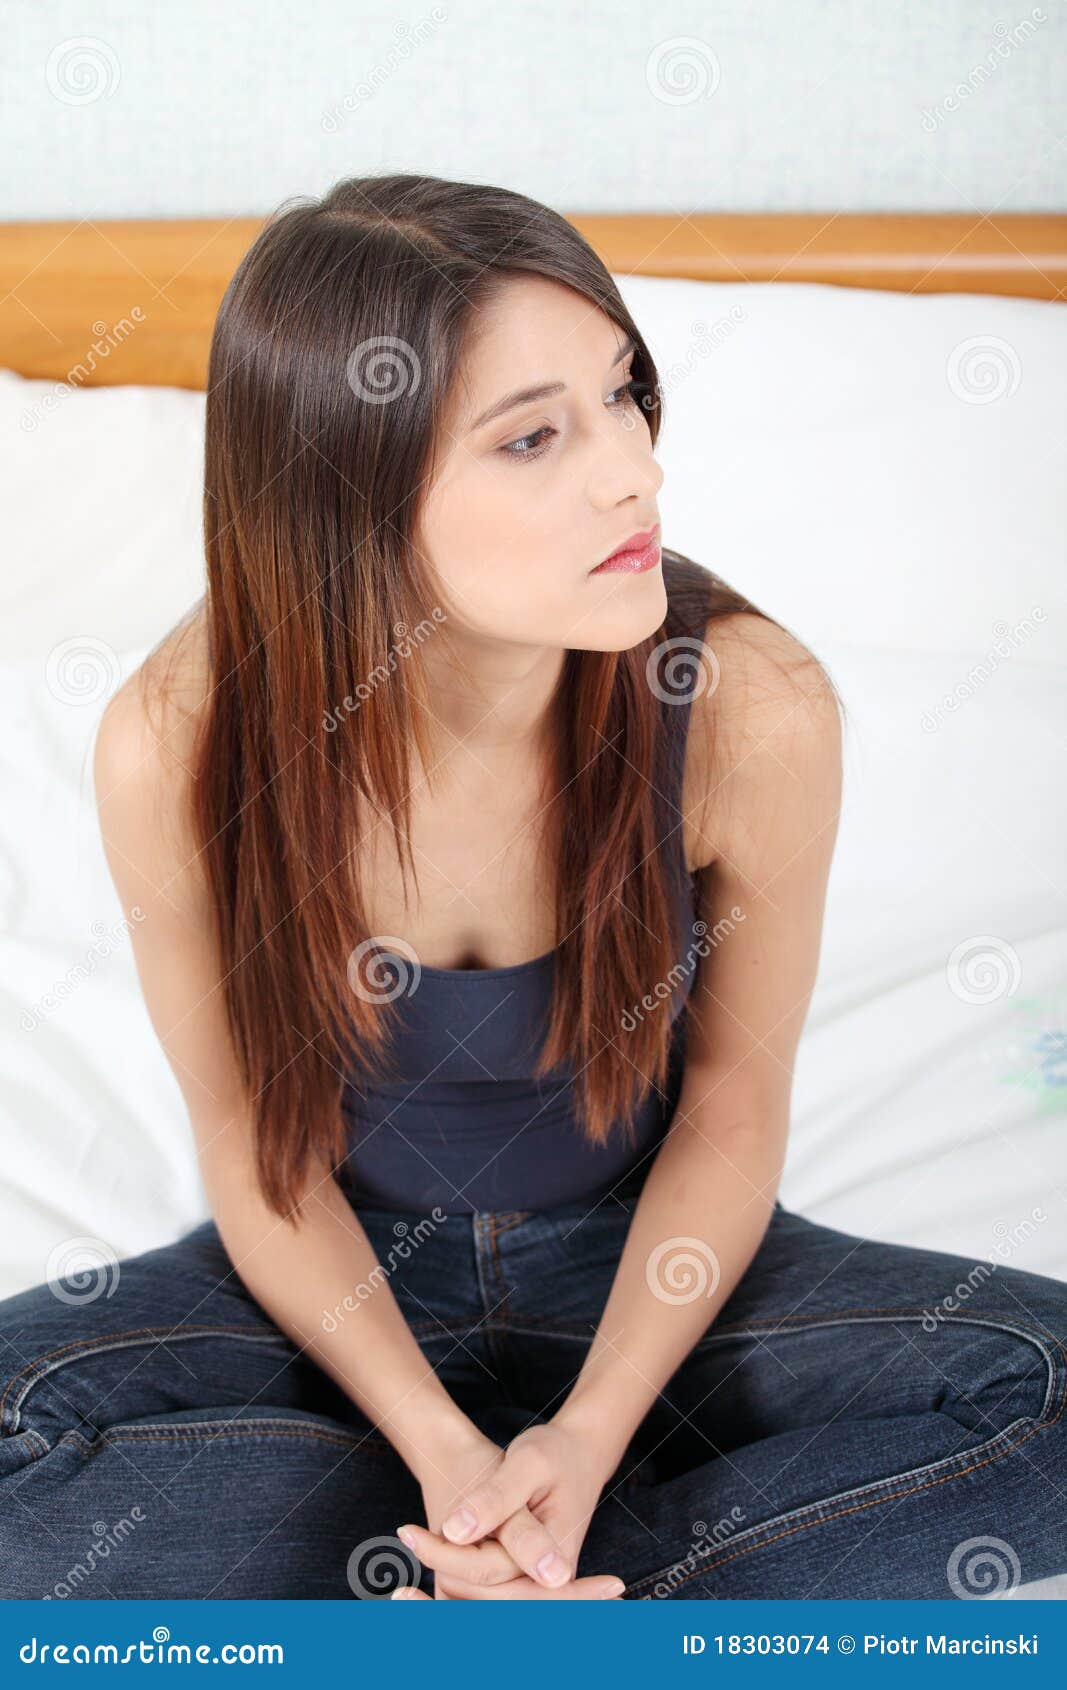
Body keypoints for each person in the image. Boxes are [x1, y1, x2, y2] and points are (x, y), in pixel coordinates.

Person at [1, 173, 1064, 1602]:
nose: (634, 472)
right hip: (336, 1294)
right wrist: (445, 1446)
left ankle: (515, 1564)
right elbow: (260, 1157)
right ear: (346, 487)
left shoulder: (748, 705)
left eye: (625, 397)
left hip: (646, 1275)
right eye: (532, 437)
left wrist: (588, 1431)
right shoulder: (177, 744)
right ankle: (478, 1548)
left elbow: (736, 1113)